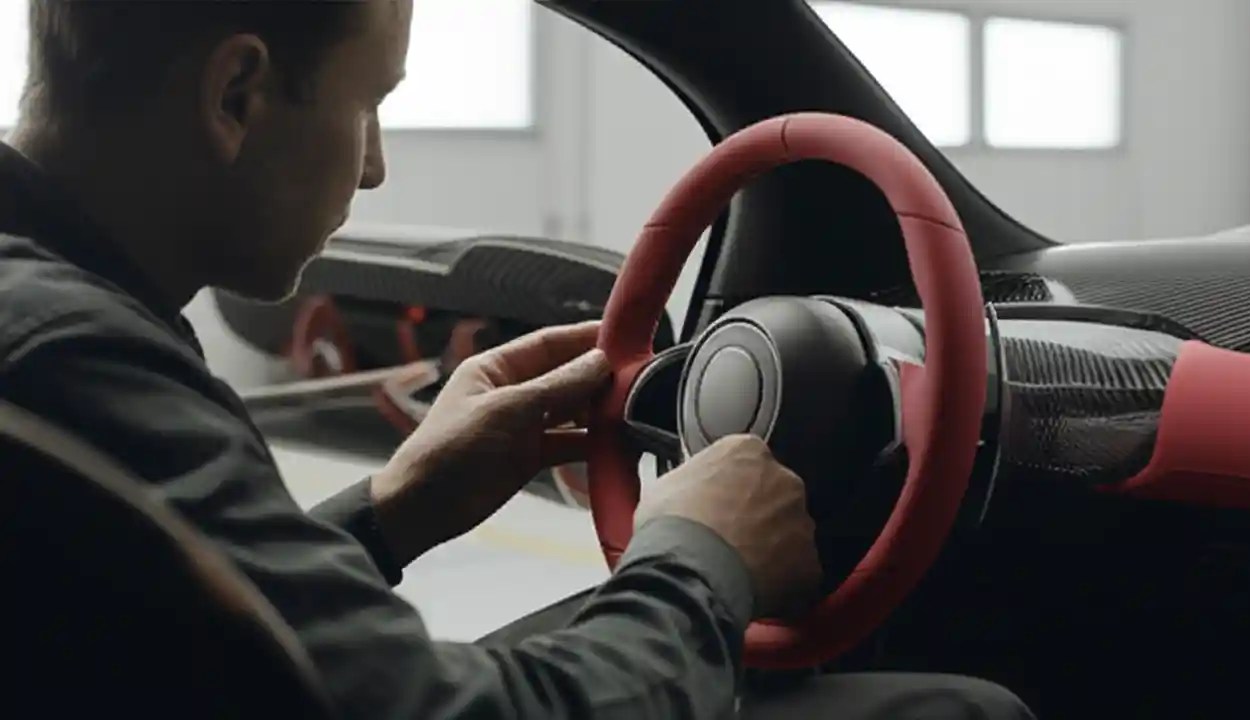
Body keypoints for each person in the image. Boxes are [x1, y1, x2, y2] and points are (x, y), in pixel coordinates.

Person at [0, 1, 1034, 718]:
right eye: (369, 104)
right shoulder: (74, 362)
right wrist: (701, 553)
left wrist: (394, 508)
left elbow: (157, 626)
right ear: (237, 94)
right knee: (955, 708)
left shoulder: (43, 328)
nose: (374, 167)